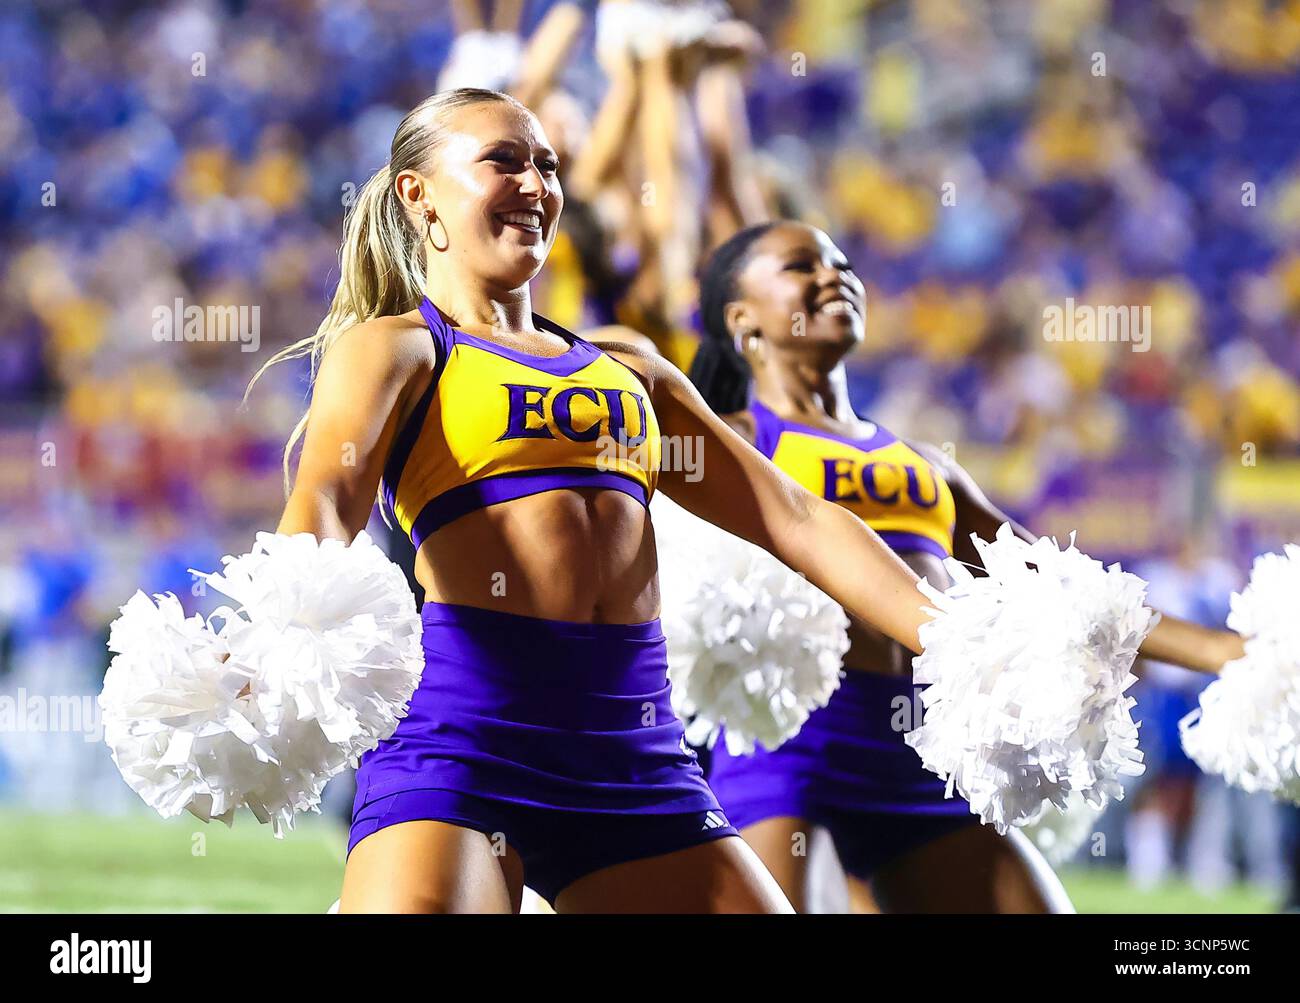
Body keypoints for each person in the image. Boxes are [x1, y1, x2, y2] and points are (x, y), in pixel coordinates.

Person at [248, 89, 950, 914]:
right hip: (463, 742)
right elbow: (327, 497)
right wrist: (279, 634)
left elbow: (792, 517)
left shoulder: (631, 367)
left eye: (546, 165)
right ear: (419, 194)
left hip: (632, 750)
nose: (537, 184)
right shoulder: (399, 347)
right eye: (503, 161)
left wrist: (956, 636)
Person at [687, 219, 1249, 913]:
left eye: (842, 261)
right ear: (743, 320)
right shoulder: (731, 440)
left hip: (928, 750)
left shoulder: (925, 462)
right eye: (802, 266)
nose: (834, 275)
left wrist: (1224, 651)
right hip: (792, 749)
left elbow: (1060, 586)